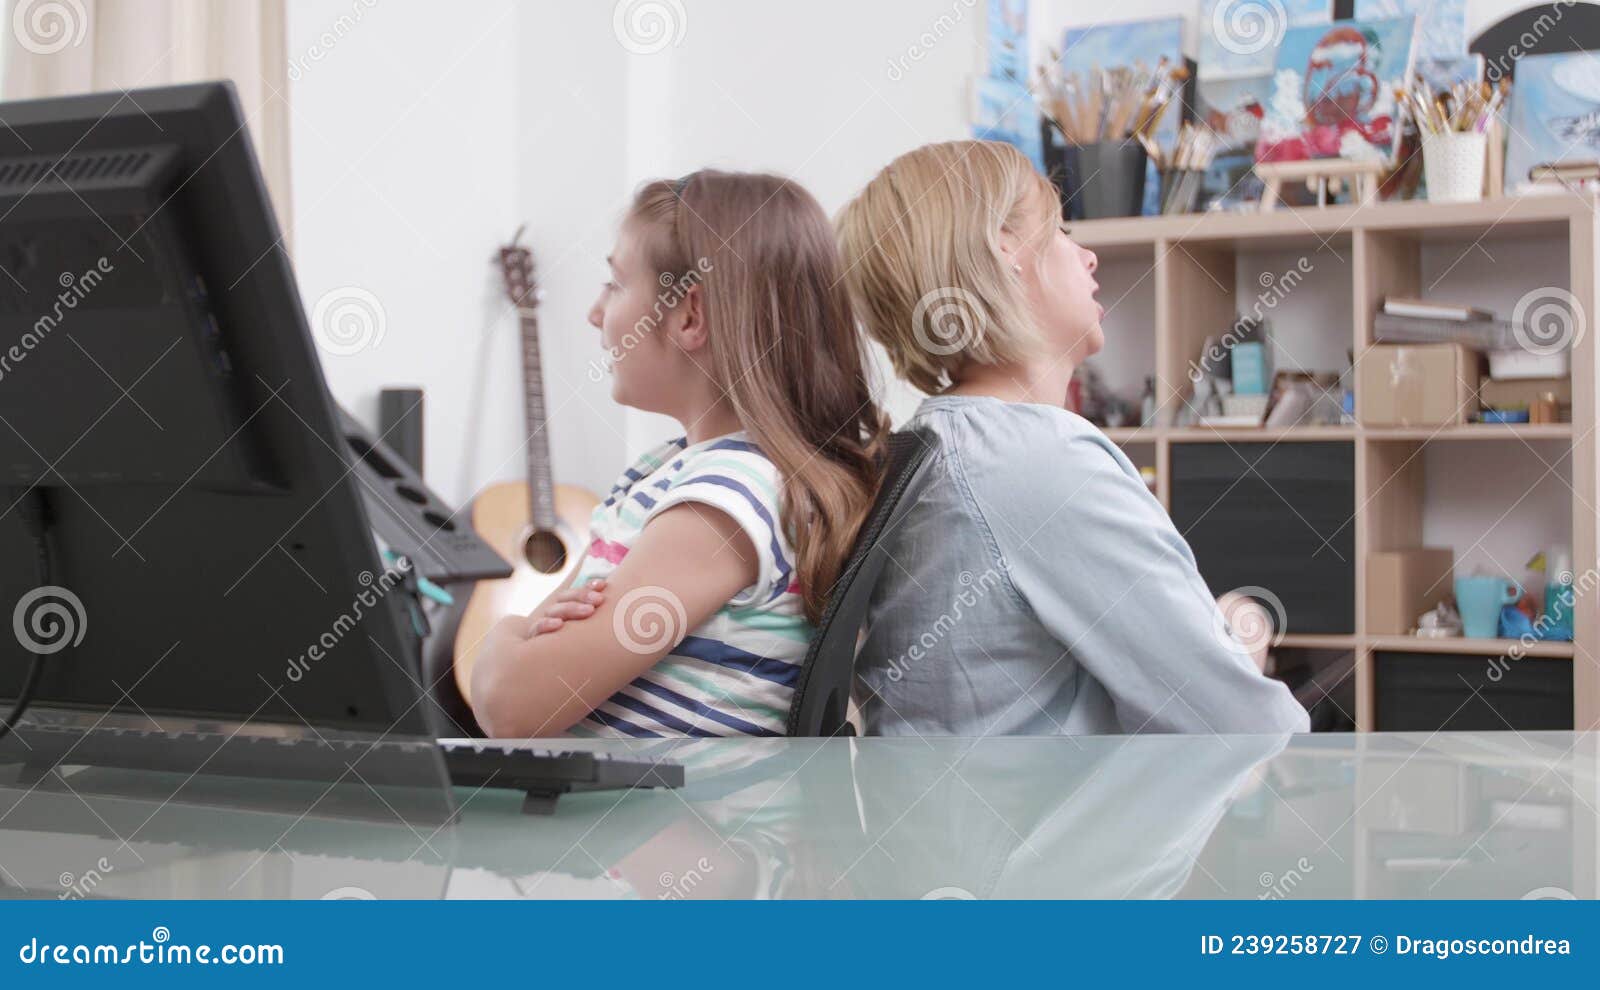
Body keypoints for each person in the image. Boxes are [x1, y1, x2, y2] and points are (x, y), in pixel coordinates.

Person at [833, 139, 1309, 736]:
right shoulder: (1040, 462)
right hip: (1043, 829)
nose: (1087, 257)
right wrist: (1243, 633)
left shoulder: (930, 444)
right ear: (1004, 251)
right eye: (1059, 230)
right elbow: (1242, 723)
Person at [469, 170, 885, 739]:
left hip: (672, 825)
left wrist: (504, 637)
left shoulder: (726, 502)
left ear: (689, 315)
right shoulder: (672, 471)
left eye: (614, 284)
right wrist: (529, 642)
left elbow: (512, 706)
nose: (595, 313)